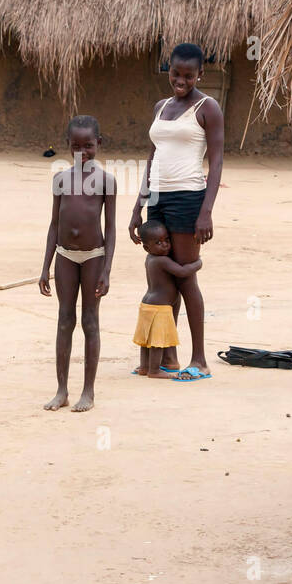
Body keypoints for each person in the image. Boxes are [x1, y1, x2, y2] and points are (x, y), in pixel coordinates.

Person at [128, 42, 224, 381]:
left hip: (188, 199)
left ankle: (199, 359)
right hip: (158, 199)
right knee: (164, 280)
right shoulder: (161, 106)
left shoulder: (207, 107)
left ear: (200, 74)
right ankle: (167, 356)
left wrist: (206, 212)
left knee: (186, 277)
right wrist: (139, 205)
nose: (180, 80)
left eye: (188, 75)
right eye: (175, 73)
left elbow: (216, 162)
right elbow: (153, 157)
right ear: (168, 70)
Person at [38, 116, 116, 411]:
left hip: (94, 257)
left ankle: (89, 392)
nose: (82, 151)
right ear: (67, 145)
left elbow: (110, 229)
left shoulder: (107, 182)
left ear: (100, 143)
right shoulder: (60, 179)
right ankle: (61, 390)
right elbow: (54, 224)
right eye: (75, 146)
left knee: (90, 321)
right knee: (64, 320)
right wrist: (45, 265)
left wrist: (107, 270)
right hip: (65, 257)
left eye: (89, 145)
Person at [132, 221, 202, 378]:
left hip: (147, 305)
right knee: (157, 341)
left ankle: (145, 366)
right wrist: (198, 263)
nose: (164, 245)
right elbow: (183, 272)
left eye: (167, 240)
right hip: (160, 308)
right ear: (146, 247)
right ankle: (155, 370)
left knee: (146, 340)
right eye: (158, 243)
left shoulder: (150, 258)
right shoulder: (162, 261)